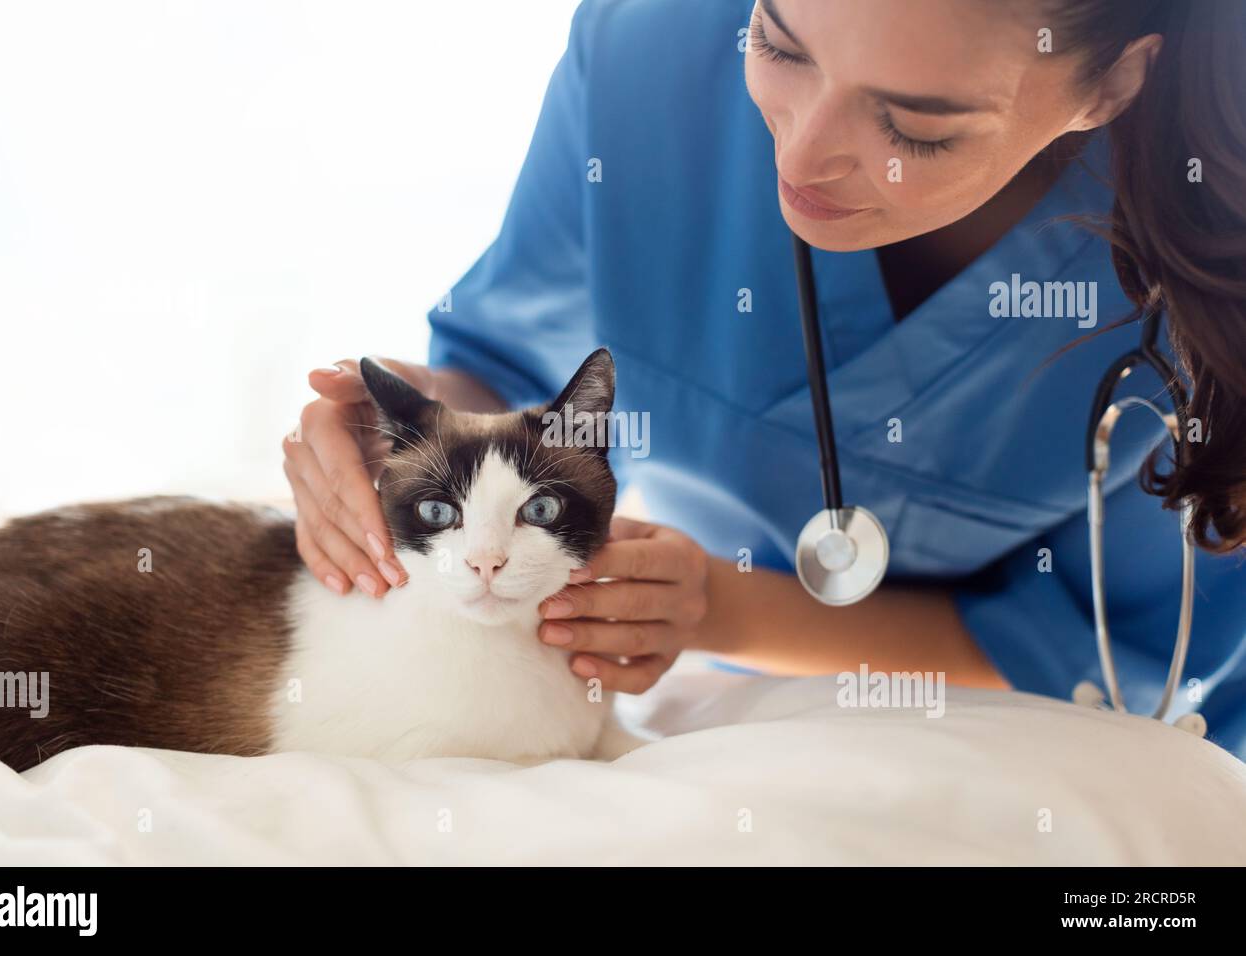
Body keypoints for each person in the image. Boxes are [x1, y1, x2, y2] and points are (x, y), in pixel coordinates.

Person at [282, 0, 1246, 756]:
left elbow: (1104, 653)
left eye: (915, 125)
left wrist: (718, 603)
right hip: (735, 712)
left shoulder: (1216, 256)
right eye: (780, 47)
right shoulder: (642, 58)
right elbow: (497, 370)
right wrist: (394, 429)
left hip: (1049, 744)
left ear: (1116, 81)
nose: (801, 149)